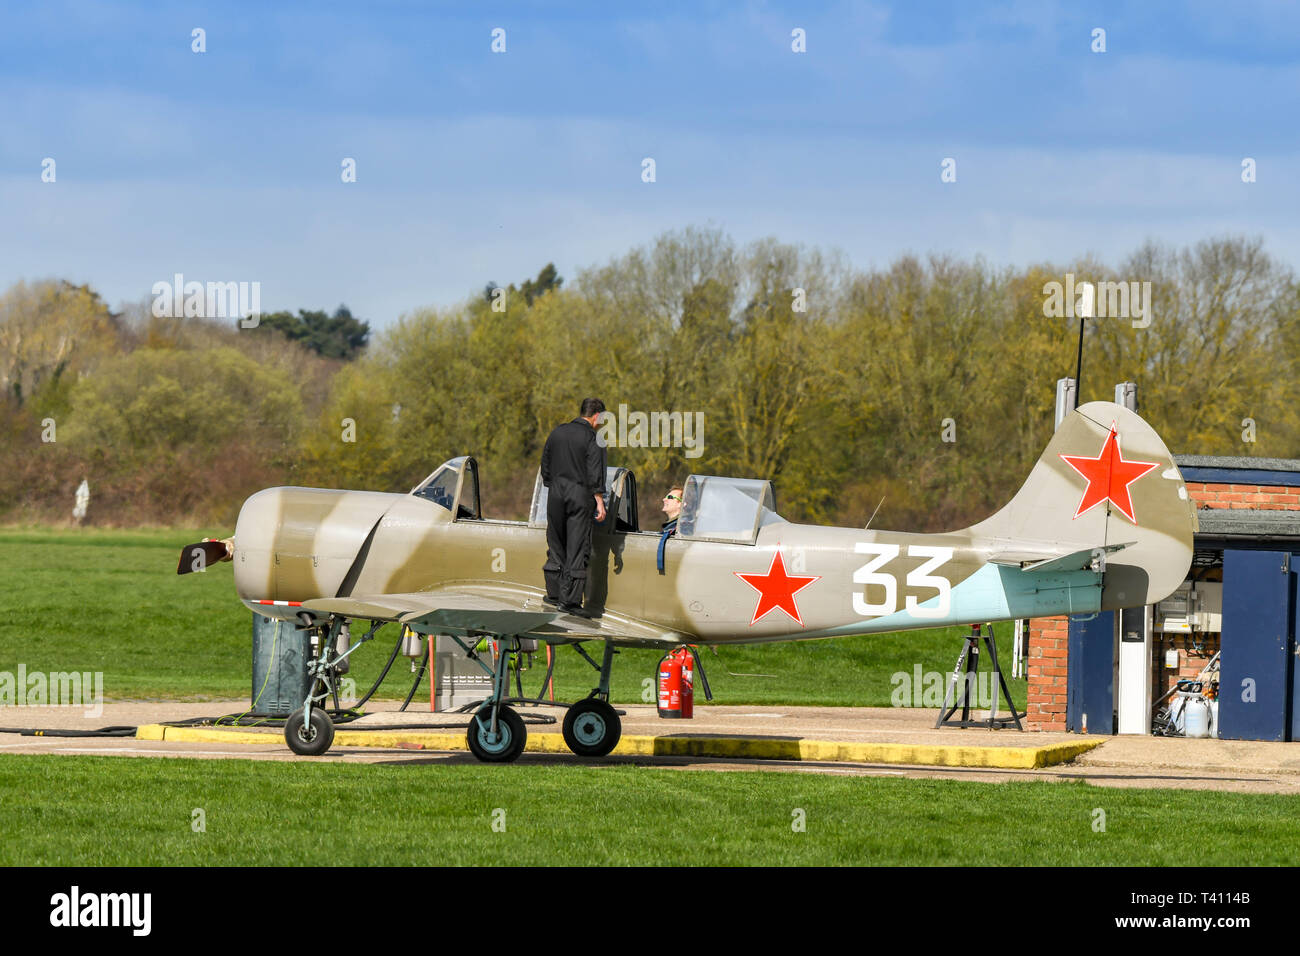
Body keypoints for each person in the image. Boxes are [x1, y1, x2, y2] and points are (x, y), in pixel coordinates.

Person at [540, 398, 607, 616]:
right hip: (580, 495)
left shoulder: (557, 432)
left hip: (555, 494)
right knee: (578, 547)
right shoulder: (594, 437)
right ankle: (570, 602)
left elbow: (545, 465)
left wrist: (554, 484)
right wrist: (599, 500)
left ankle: (554, 594)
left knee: (556, 542)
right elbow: (595, 472)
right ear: (596, 415)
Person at [656, 486, 684, 573]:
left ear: (682, 504)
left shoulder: (682, 528)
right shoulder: (671, 526)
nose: (664, 499)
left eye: (670, 497)